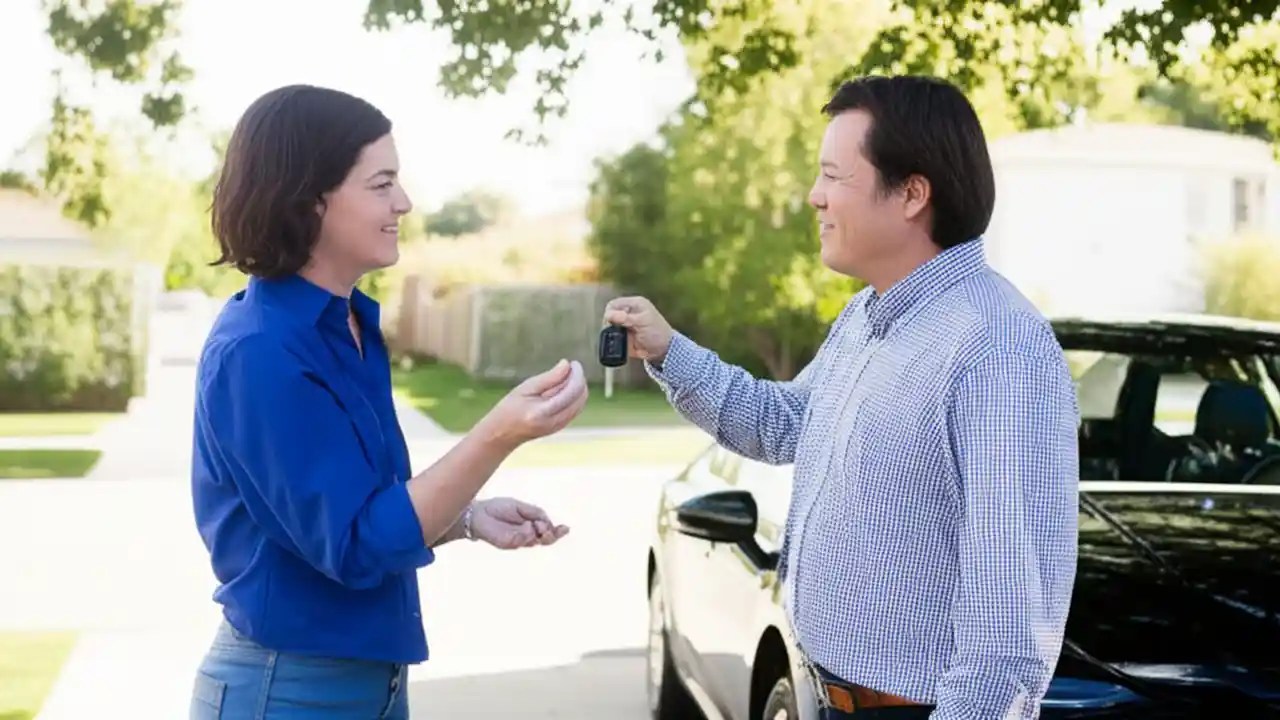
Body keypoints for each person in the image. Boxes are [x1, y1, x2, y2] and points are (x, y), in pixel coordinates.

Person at [605, 75, 1079, 719]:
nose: (814, 196)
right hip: (824, 697)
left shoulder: (996, 349)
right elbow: (782, 424)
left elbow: (1009, 630)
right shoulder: (866, 318)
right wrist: (667, 350)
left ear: (913, 193)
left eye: (834, 176)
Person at [188, 84, 588, 719]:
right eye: (382, 184)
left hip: (370, 687)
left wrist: (465, 518)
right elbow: (353, 546)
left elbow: (365, 509)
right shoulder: (259, 352)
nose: (404, 201)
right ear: (310, 199)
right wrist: (497, 435)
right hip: (288, 692)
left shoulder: (346, 326)